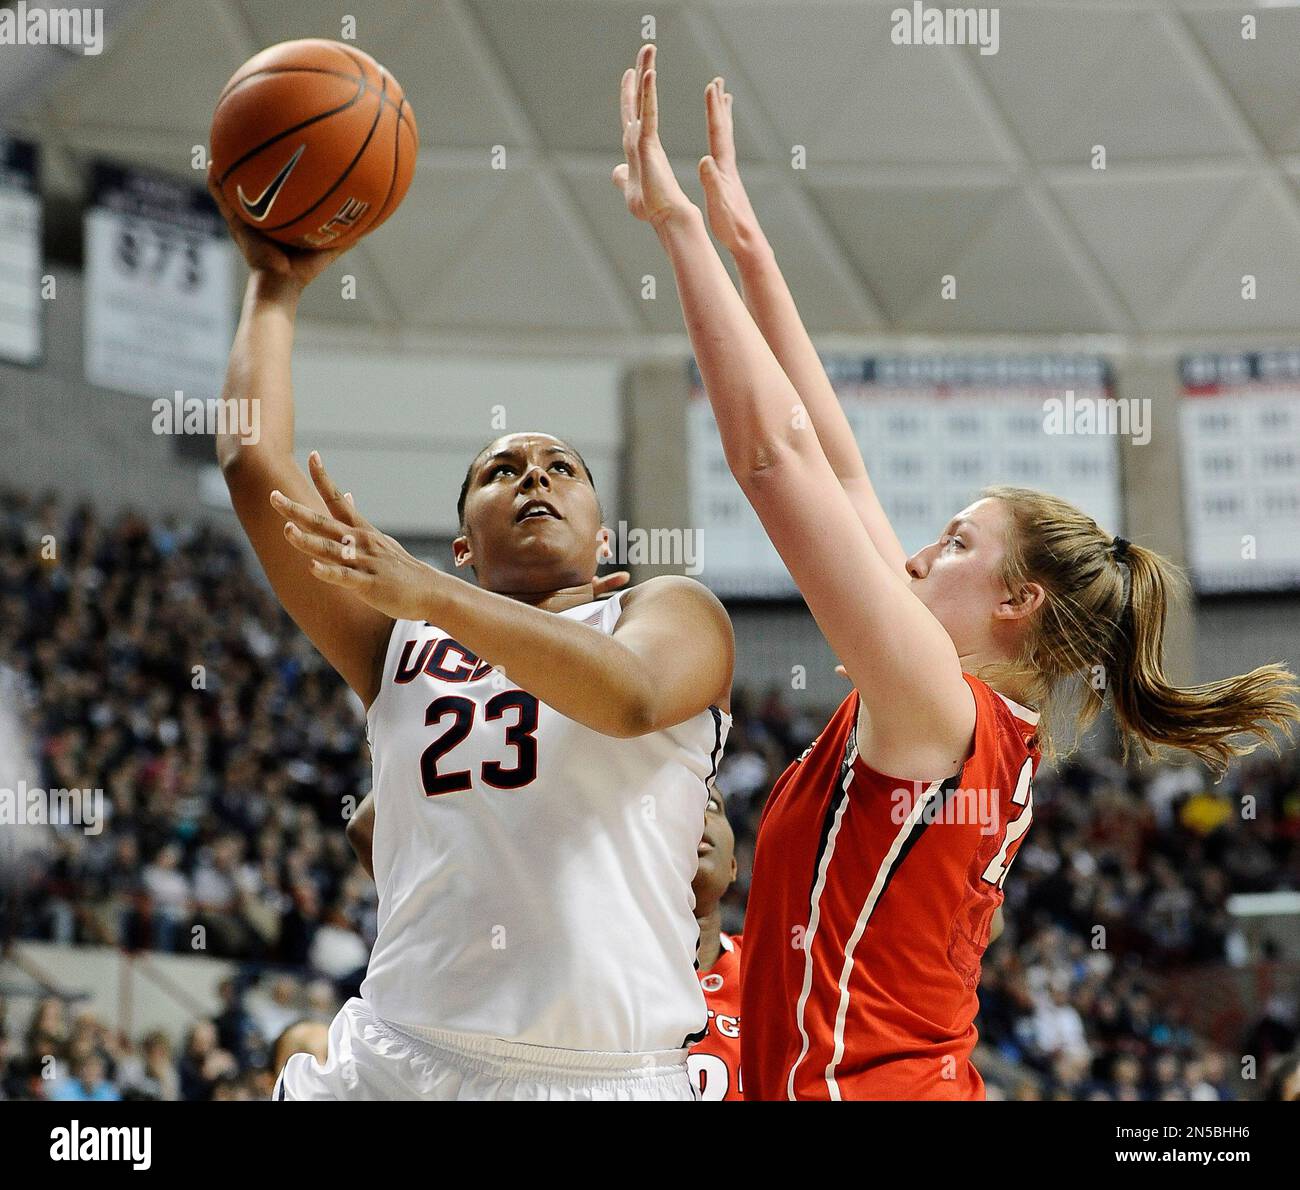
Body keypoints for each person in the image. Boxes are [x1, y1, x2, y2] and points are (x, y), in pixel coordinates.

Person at [612, 44, 1299, 1100]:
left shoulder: (935, 706)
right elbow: (836, 464)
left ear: (1017, 601)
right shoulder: (960, 712)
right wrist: (748, 244)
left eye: (956, 543)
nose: (919, 554)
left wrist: (679, 231)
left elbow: (773, 460)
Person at [208, 169, 734, 1101]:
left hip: (606, 1076)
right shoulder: (398, 636)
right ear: (463, 547)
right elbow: (254, 464)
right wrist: (273, 286)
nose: (534, 476)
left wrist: (435, 599)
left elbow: (632, 697)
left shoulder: (666, 611)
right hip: (398, 1056)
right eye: (501, 470)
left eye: (562, 467)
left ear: (604, 541)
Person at [688, 784, 743, 1101]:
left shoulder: (780, 974)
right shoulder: (603, 976)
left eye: (711, 805)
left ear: (734, 866)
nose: (698, 813)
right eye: (682, 803)